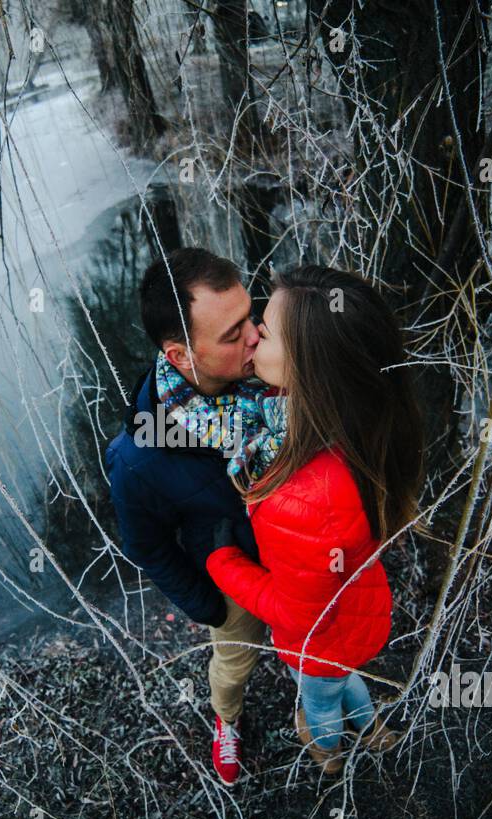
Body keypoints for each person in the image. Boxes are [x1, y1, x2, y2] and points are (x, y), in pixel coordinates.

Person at [205, 264, 425, 775]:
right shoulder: (356, 429)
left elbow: (294, 612)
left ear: (311, 365)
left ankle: (328, 753)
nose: (253, 335)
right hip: (357, 613)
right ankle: (373, 730)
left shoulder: (304, 495)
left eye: (268, 329)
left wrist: (223, 563)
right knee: (345, 679)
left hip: (318, 638)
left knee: (320, 700)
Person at [104, 247, 269, 786]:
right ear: (180, 356)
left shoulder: (277, 367)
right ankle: (227, 720)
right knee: (234, 663)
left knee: (315, 643)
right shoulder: (140, 459)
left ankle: (328, 700)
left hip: (304, 556)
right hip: (235, 580)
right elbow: (148, 547)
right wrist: (207, 606)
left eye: (251, 316)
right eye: (232, 333)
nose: (255, 337)